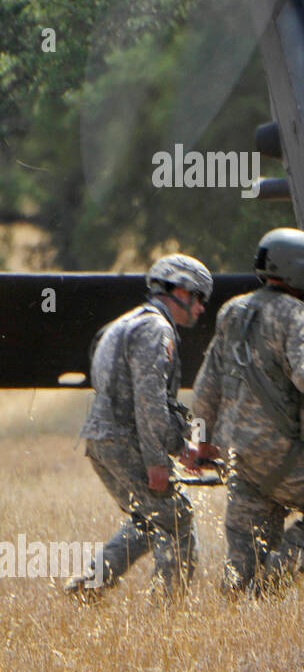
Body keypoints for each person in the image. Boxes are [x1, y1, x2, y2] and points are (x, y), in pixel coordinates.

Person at [191, 228, 304, 593]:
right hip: (281, 450)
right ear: (300, 270)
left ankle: (238, 610)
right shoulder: (297, 314)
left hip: (234, 452)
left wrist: (201, 440)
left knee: (244, 542)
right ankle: (271, 582)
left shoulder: (232, 311)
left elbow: (207, 383)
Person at [66, 254, 213, 599]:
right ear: (181, 289)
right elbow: (149, 402)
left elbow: (141, 398)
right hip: (124, 438)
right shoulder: (156, 329)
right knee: (176, 518)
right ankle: (168, 614)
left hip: (102, 438)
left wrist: (181, 447)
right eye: (200, 298)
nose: (202, 308)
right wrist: (156, 462)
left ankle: (89, 586)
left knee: (150, 520)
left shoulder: (128, 322)